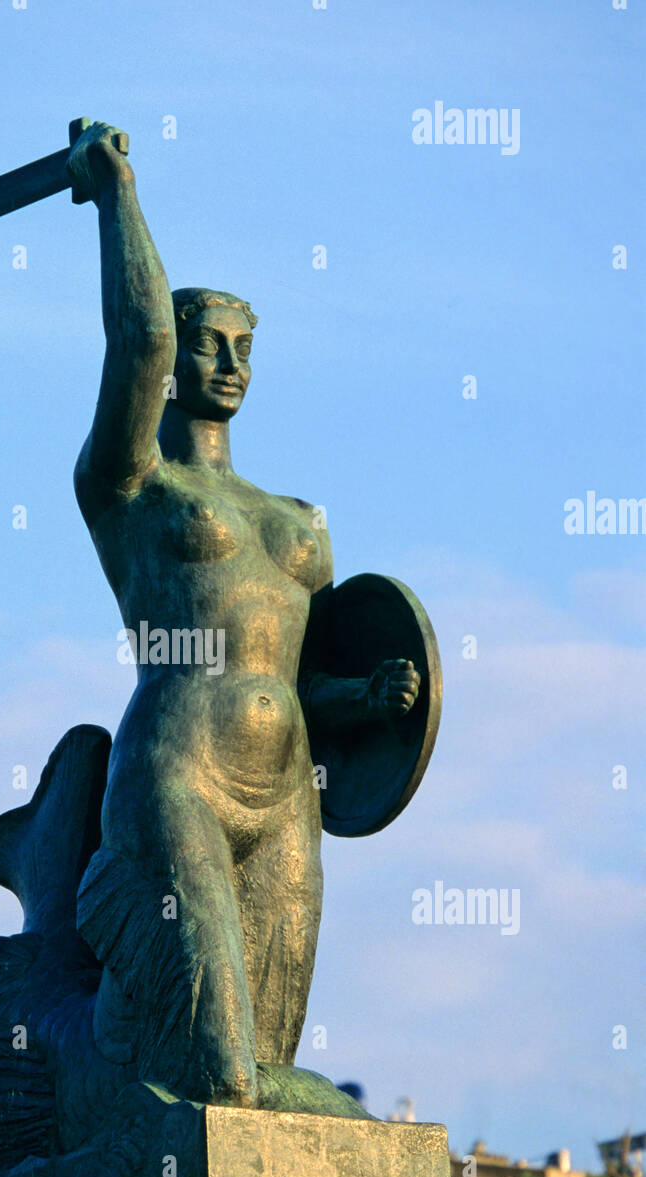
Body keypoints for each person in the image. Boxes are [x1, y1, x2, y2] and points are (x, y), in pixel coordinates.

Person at [65, 123, 419, 1113]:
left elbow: (302, 676)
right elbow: (134, 339)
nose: (225, 363)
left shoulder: (299, 525)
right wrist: (115, 196)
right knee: (222, 1078)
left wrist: (370, 696)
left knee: (264, 1082)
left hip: (286, 793)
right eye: (206, 345)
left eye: (242, 348)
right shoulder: (131, 487)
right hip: (175, 772)